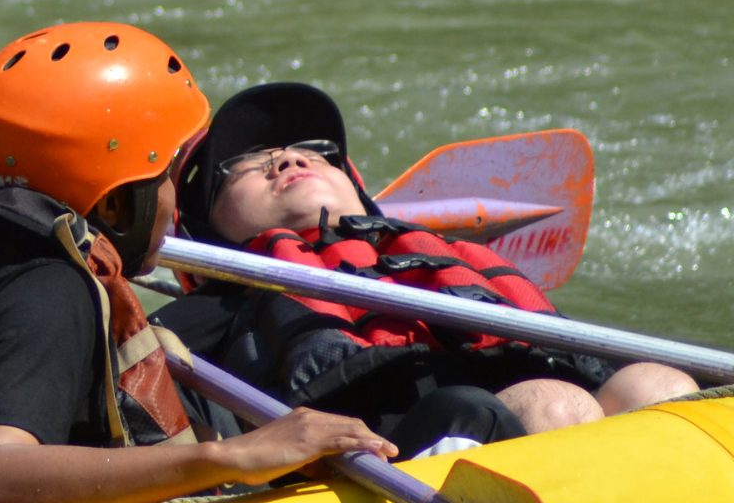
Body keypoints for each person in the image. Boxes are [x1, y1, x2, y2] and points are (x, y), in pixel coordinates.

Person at [0, 23, 394, 503]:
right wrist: (235, 457)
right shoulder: (47, 286)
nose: (172, 198)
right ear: (113, 206)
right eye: (163, 175)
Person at [164, 81, 697, 446]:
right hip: (386, 439)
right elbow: (123, 362)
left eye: (316, 150)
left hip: (516, 393)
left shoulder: (435, 253)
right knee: (554, 408)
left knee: (655, 386)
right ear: (204, 234)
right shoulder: (223, 300)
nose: (289, 158)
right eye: (245, 167)